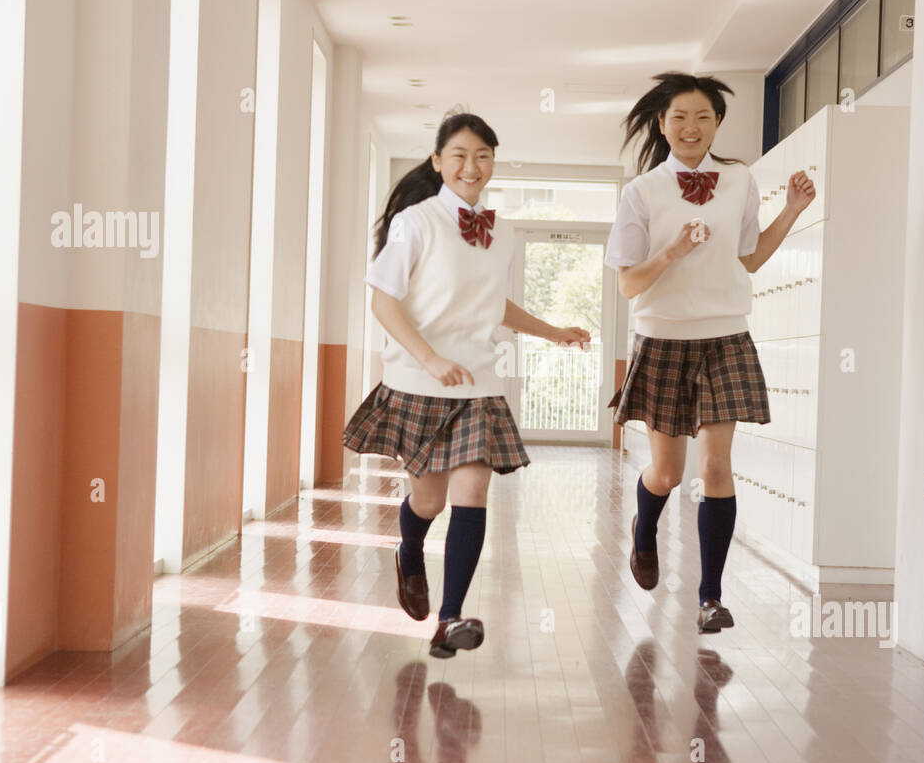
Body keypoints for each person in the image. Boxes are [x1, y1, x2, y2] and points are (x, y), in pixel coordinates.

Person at [344, 112, 591, 658]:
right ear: (438, 162)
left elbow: (492, 305)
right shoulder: (416, 222)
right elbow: (382, 300)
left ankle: (451, 618)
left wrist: (553, 332)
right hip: (420, 378)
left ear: (493, 163)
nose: (471, 165)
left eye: (482, 155)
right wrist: (429, 358)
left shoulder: (500, 230)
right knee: (427, 502)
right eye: (458, 154)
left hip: (478, 382)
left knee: (473, 492)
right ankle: (409, 550)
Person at [605, 73, 815, 633]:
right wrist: (672, 252)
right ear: (661, 124)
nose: (691, 127)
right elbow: (628, 285)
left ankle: (710, 597)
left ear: (717, 123)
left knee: (717, 466)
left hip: (726, 337)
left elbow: (747, 259)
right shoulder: (641, 192)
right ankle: (644, 530)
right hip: (664, 337)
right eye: (679, 117)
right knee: (669, 473)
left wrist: (791, 210)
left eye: (702, 117)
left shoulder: (739, 180)